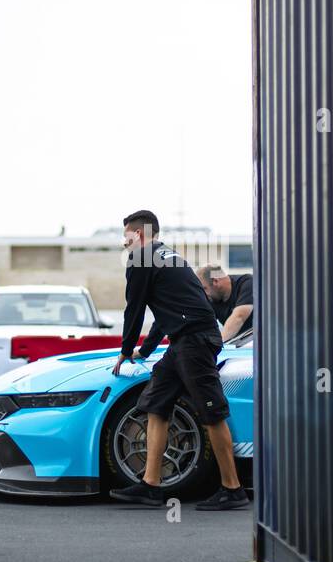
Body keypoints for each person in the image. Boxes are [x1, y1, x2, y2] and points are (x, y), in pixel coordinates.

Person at [108, 210, 250, 510]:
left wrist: (124, 349)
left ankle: (232, 489)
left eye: (126, 236)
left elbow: (134, 308)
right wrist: (144, 351)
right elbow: (164, 313)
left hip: (194, 342)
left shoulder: (142, 257)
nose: (124, 243)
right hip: (184, 341)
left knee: (212, 412)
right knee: (155, 404)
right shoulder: (170, 258)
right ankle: (151, 485)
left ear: (140, 235)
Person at [197, 265, 253, 340]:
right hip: (238, 345)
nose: (204, 294)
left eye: (205, 288)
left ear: (216, 281)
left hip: (262, 345)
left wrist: (219, 346)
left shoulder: (247, 283)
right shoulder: (212, 297)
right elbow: (201, 323)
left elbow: (239, 317)